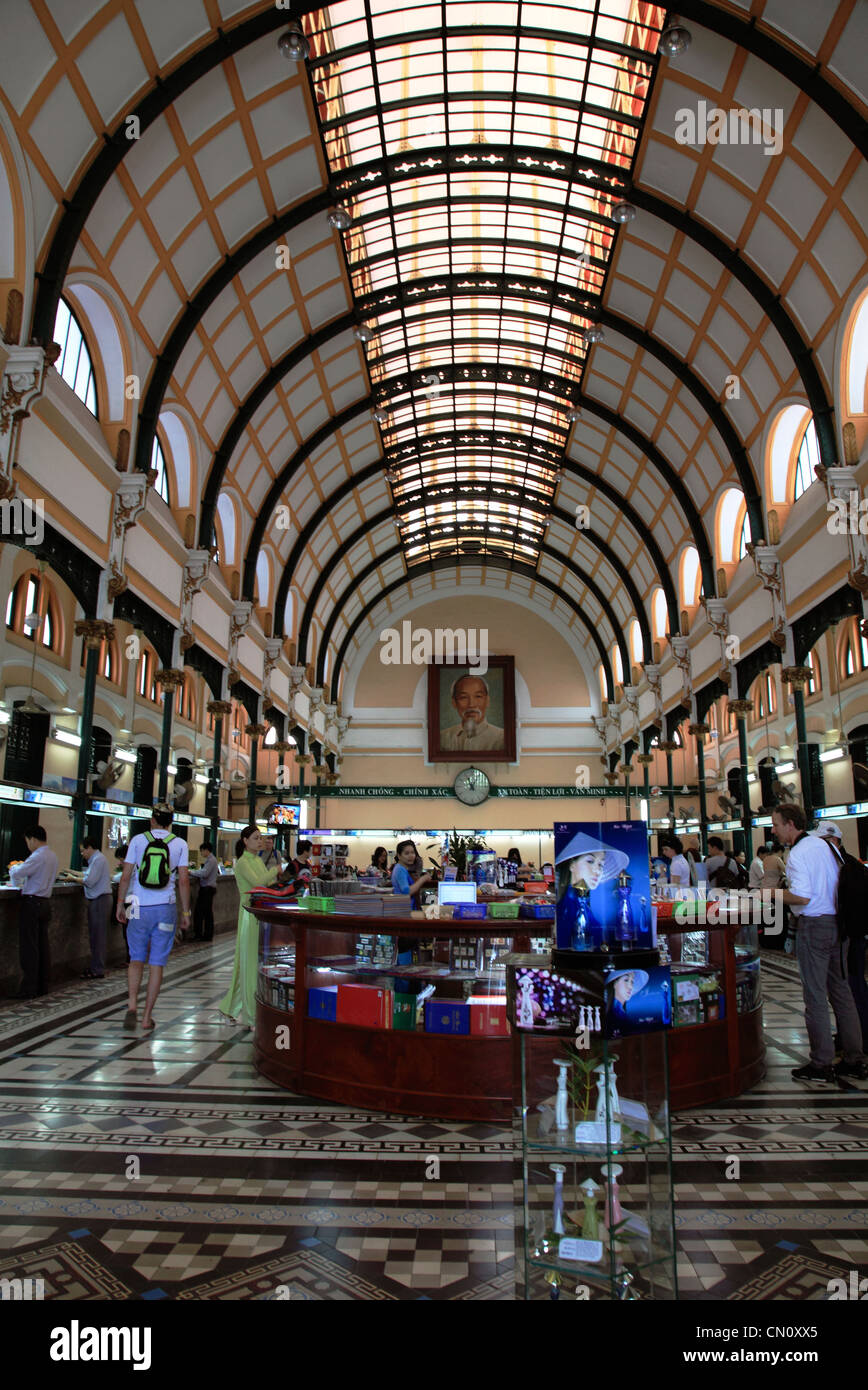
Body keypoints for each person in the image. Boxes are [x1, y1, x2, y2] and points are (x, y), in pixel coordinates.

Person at [772, 803, 867, 1083]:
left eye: (776, 824)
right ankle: (854, 1059)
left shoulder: (798, 853)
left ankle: (821, 1063)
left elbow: (802, 897)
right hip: (839, 924)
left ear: (790, 823)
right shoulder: (824, 845)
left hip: (814, 926)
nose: (774, 829)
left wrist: (773, 895)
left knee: (814, 996)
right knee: (841, 992)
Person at [117, 806, 190, 1033]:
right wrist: (186, 913)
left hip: (137, 905)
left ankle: (132, 1006)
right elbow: (184, 882)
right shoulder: (180, 844)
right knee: (157, 963)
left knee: (136, 958)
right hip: (165, 908)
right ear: (171, 822)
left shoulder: (138, 841)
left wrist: (121, 904)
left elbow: (126, 876)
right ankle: (147, 1017)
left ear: (152, 820)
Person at [812, 821, 868, 1052]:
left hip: (849, 936)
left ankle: (859, 1039)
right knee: (848, 987)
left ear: (834, 840)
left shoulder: (845, 866)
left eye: (823, 842)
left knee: (851, 988)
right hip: (849, 935)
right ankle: (853, 1038)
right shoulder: (849, 864)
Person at [220, 825, 283, 1027]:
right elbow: (257, 882)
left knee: (253, 964)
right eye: (255, 838)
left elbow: (268, 883)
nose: (259, 841)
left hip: (260, 913)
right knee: (247, 965)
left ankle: (230, 1008)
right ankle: (250, 1014)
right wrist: (275, 869)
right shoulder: (242, 863)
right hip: (249, 915)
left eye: (260, 838)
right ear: (245, 841)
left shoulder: (256, 860)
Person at [9, 825, 58, 998]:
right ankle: (42, 985)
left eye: (27, 841)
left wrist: (13, 867)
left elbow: (20, 872)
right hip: (45, 903)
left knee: (29, 947)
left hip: (32, 903)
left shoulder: (38, 856)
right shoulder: (52, 855)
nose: (28, 845)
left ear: (33, 839)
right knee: (42, 946)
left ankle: (28, 988)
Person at [440, 674, 504, 752]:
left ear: (487, 701)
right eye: (463, 697)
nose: (471, 704)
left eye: (478, 696)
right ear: (454, 703)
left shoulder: (502, 738)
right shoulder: (442, 738)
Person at [80, 837, 112, 979]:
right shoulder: (97, 860)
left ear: (90, 848)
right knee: (95, 936)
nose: (82, 854)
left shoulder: (98, 860)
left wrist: (74, 878)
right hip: (99, 900)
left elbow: (90, 881)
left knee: (98, 936)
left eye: (83, 851)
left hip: (100, 900)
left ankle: (97, 968)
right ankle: (96, 966)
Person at [391, 839, 433, 909]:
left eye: (413, 853)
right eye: (406, 853)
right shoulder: (400, 869)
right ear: (399, 856)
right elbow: (406, 891)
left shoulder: (401, 868)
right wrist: (423, 879)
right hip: (403, 910)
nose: (411, 856)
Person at [193, 841, 218, 942]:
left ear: (206, 850)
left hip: (207, 890)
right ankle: (206, 934)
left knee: (200, 913)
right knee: (207, 913)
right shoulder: (211, 860)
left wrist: (191, 872)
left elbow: (204, 873)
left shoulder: (211, 860)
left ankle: (201, 935)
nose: (201, 853)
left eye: (202, 851)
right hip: (208, 889)